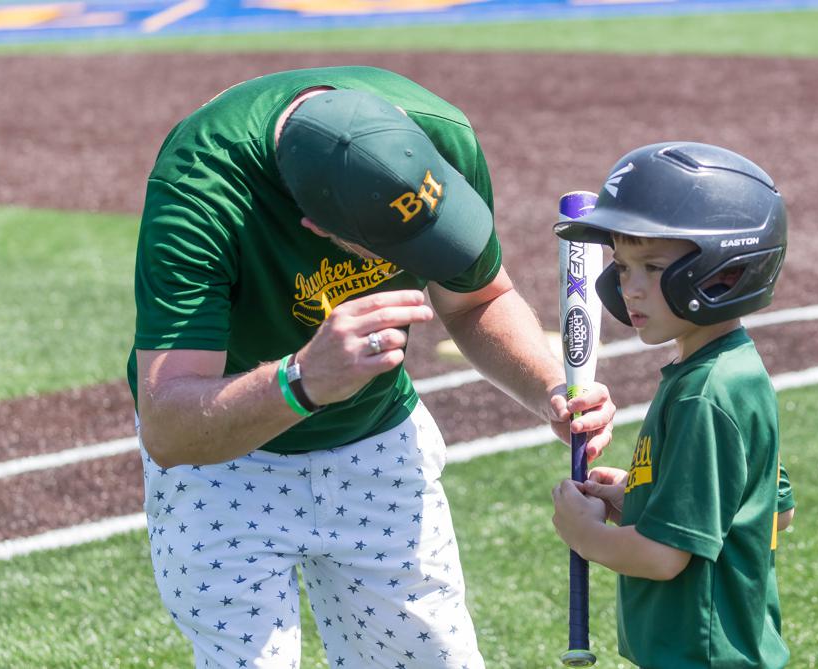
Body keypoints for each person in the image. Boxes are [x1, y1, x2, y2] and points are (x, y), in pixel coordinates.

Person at [127, 66, 616, 669]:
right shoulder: (200, 193)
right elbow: (169, 426)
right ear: (319, 229)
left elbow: (476, 299)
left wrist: (549, 391)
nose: (425, 260)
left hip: (378, 441)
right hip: (223, 466)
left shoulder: (438, 135)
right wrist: (301, 381)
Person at [550, 142, 797, 668]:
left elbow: (663, 558)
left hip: (697, 656)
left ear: (725, 270)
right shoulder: (733, 373)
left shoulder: (703, 394)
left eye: (652, 267)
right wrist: (642, 498)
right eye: (621, 266)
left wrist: (586, 535)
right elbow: (773, 512)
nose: (629, 289)